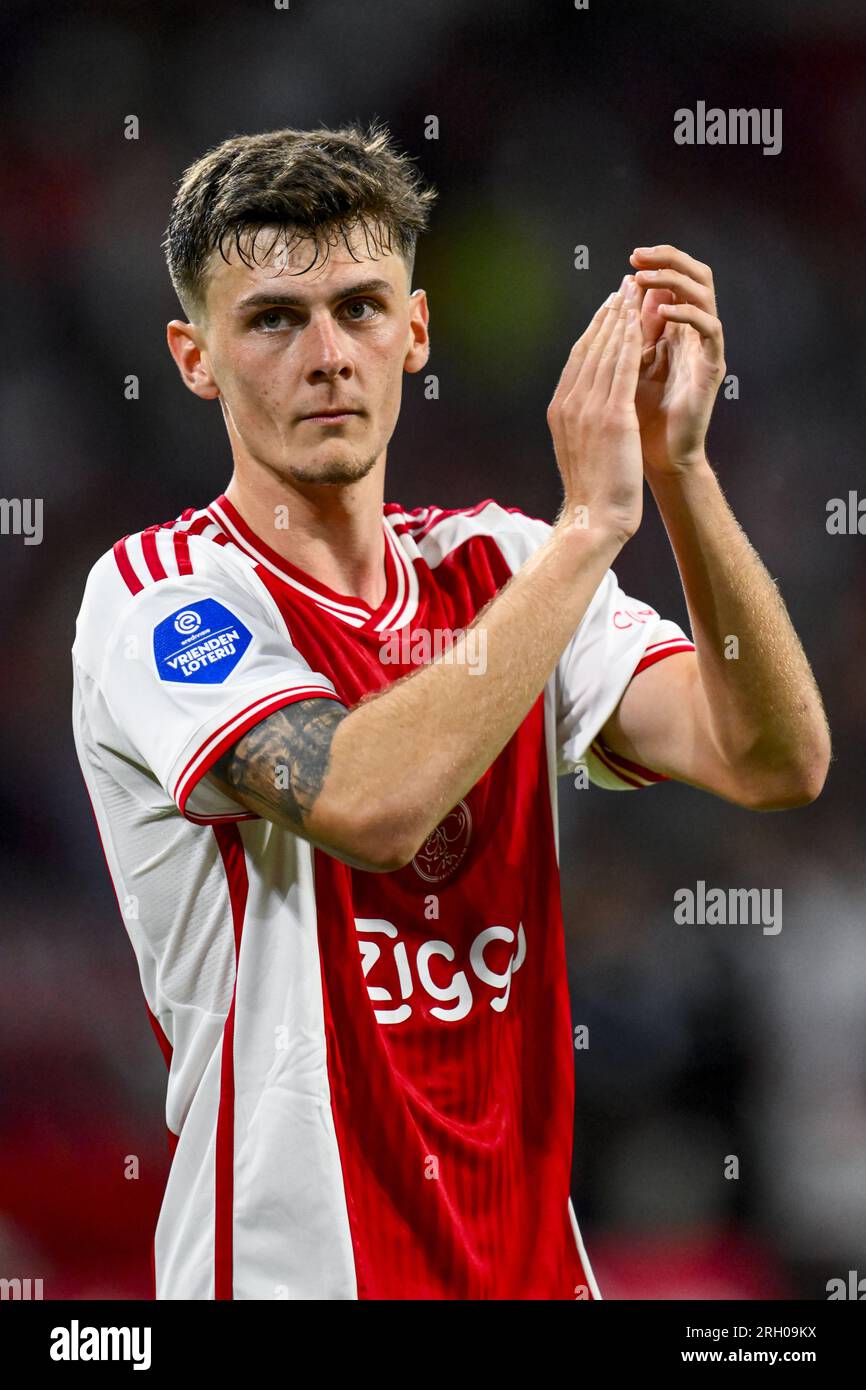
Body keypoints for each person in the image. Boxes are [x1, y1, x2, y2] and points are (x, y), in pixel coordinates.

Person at [71, 121, 831, 1300]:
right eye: (274, 318)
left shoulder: (502, 565)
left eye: (361, 307)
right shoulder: (158, 595)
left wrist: (678, 473)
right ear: (193, 357)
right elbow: (364, 802)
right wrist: (588, 531)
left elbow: (773, 755)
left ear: (414, 331)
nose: (327, 354)